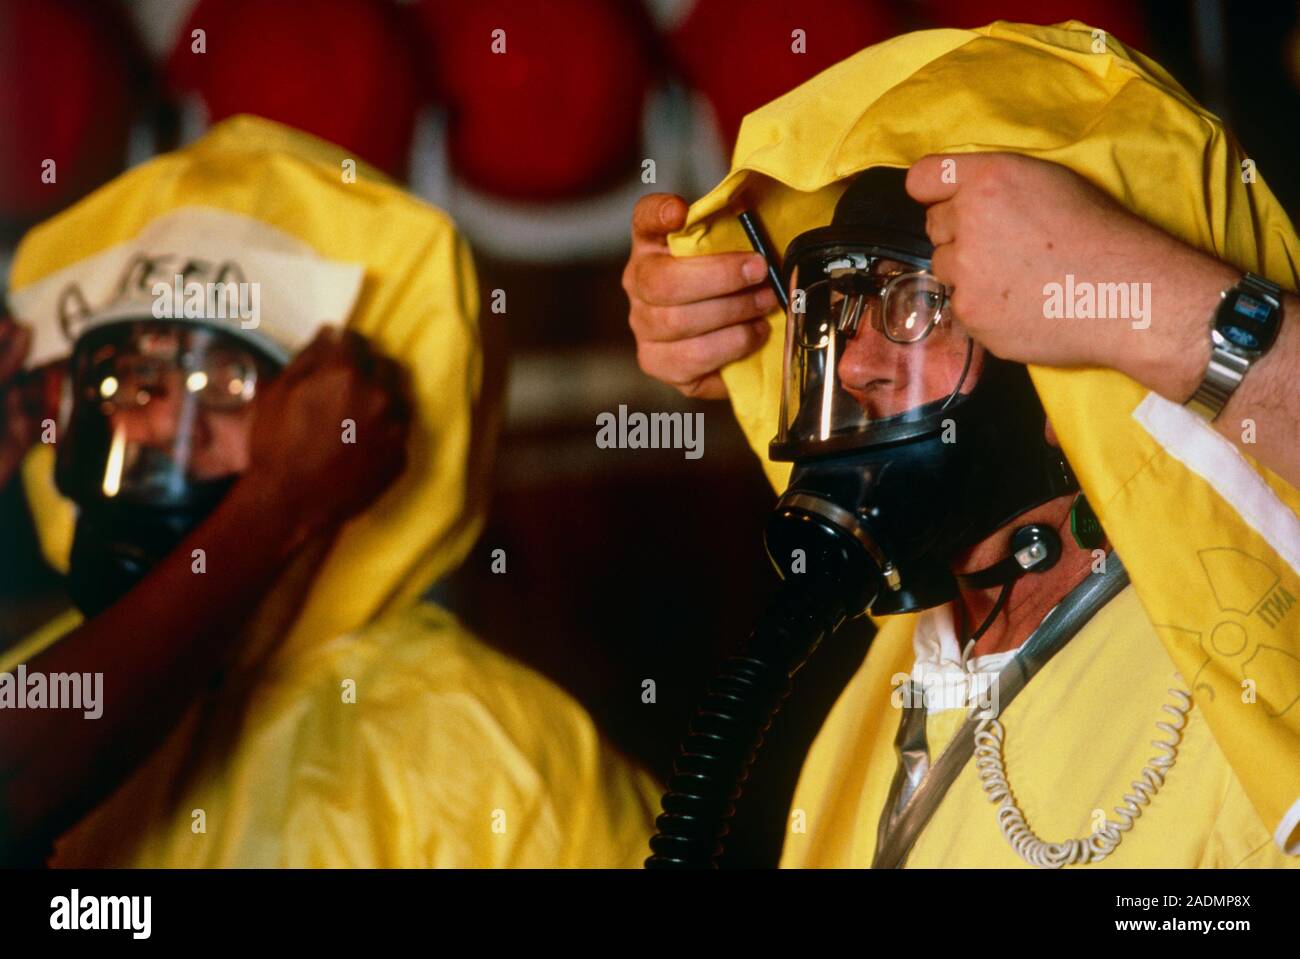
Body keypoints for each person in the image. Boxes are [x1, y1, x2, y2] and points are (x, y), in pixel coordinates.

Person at [626, 22, 1299, 867]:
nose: (859, 365)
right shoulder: (879, 697)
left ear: (1069, 367)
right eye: (838, 313)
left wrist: (1151, 304)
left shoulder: (1257, 665)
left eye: (915, 307)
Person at [0, 115, 659, 868]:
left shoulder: (505, 754)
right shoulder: (38, 704)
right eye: (124, 377)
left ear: (344, 427)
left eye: (219, 380)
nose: (154, 421)